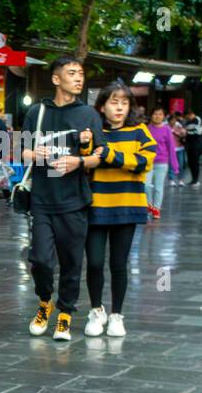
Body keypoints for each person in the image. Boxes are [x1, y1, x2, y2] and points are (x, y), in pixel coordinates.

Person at [20, 55, 104, 341]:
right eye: (72, 73)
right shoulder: (37, 112)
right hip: (42, 199)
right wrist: (36, 154)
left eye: (81, 73)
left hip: (74, 199)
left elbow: (99, 157)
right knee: (40, 260)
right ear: (56, 79)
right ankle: (46, 301)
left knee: (71, 261)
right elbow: (23, 152)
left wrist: (78, 161)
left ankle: (65, 312)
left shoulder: (89, 115)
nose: (79, 78)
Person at [85, 81, 153, 338]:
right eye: (114, 102)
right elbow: (86, 160)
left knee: (118, 264)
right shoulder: (94, 132)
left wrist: (110, 155)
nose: (119, 108)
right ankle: (96, 310)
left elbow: (143, 163)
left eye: (124, 103)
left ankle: (116, 315)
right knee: (93, 262)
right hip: (96, 206)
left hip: (127, 205)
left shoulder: (140, 131)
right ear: (102, 106)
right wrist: (87, 146)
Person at [143, 107, 178, 219]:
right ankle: (150, 206)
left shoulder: (167, 129)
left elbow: (171, 148)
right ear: (151, 115)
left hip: (162, 163)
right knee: (146, 185)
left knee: (158, 187)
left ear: (163, 116)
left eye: (160, 114)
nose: (157, 116)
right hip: (148, 162)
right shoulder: (146, 129)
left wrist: (175, 166)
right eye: (155, 114)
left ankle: (156, 209)